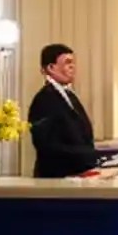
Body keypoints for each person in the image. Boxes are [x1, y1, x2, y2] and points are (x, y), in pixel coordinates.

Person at [28, 43, 98, 178]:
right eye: (67, 63)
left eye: (73, 63)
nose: (73, 67)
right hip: (57, 180)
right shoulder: (44, 99)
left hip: (79, 176)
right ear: (51, 67)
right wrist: (88, 154)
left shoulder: (70, 96)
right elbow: (47, 146)